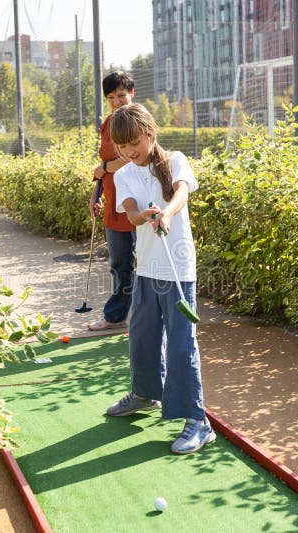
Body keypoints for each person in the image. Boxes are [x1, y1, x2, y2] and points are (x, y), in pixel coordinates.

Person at [106, 103, 215, 455]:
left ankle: (198, 422)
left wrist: (166, 212)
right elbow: (133, 213)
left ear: (150, 134)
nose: (128, 151)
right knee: (142, 337)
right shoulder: (124, 174)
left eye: (134, 143)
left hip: (178, 270)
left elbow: (181, 192)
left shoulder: (175, 161)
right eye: (122, 147)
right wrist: (146, 215)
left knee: (182, 345)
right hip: (146, 270)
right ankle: (144, 395)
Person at [87, 71, 137, 332]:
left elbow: (131, 158)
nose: (117, 101)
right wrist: (96, 195)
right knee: (120, 265)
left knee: (147, 264)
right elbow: (104, 167)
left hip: (137, 203)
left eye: (121, 95)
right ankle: (116, 316)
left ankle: (146, 316)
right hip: (113, 203)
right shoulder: (107, 124)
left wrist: (104, 167)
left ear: (132, 94)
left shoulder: (138, 121)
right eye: (111, 97)